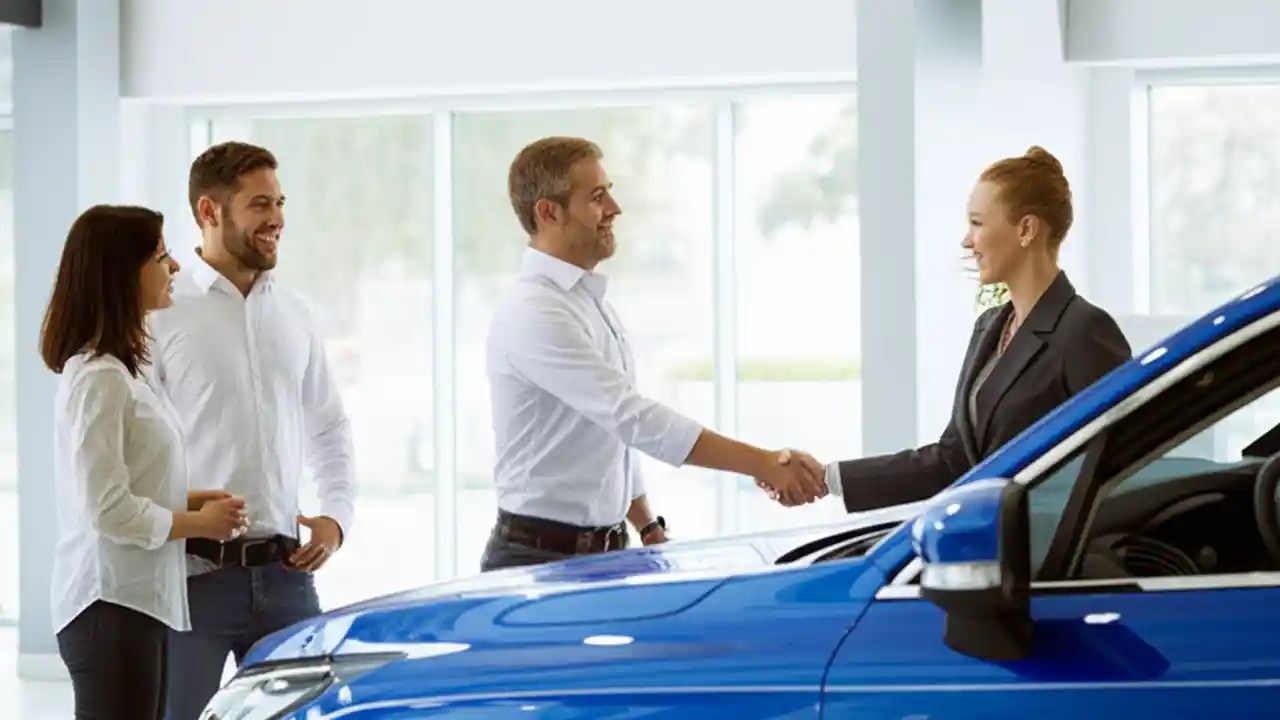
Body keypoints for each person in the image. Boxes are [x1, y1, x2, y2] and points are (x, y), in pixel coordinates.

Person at [481, 136, 828, 572]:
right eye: (596, 196)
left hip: (605, 553)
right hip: (539, 561)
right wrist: (763, 463)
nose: (614, 207)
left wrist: (646, 526)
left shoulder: (587, 302)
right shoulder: (536, 311)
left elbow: (612, 432)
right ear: (548, 212)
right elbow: (633, 417)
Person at [786, 145, 1131, 513]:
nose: (967, 241)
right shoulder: (990, 326)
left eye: (978, 223)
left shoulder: (1085, 331)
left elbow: (1121, 466)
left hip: (1051, 557)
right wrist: (828, 478)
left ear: (1026, 229)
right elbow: (952, 461)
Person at [148, 142, 357, 720]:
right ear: (209, 211)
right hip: (191, 580)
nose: (277, 220)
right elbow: (133, 453)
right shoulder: (160, 313)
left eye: (281, 203)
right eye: (260, 204)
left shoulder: (294, 313)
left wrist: (336, 520)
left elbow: (330, 426)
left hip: (287, 578)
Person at [41, 205, 250, 720]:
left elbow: (129, 484)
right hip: (109, 607)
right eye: (161, 256)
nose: (175, 266)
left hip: (139, 602)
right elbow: (107, 509)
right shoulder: (99, 378)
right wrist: (195, 523)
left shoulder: (123, 372)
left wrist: (193, 501)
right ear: (121, 274)